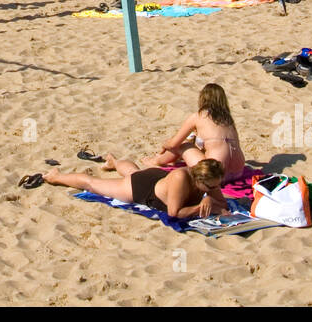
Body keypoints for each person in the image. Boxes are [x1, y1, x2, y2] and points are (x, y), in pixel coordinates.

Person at [42, 155, 227, 220]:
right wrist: (199, 207)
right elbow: (174, 213)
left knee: (132, 171)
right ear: (200, 180)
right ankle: (57, 177)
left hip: (158, 179)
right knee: (92, 184)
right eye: (210, 187)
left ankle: (114, 162)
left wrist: (211, 199)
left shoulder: (209, 181)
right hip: (142, 189)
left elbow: (221, 204)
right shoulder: (182, 178)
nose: (214, 189)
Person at [141, 83, 245, 183]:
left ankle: (156, 161)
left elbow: (174, 144)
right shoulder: (229, 120)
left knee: (182, 145)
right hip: (238, 172)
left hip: (214, 174)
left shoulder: (198, 116)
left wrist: (165, 144)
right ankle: (167, 160)